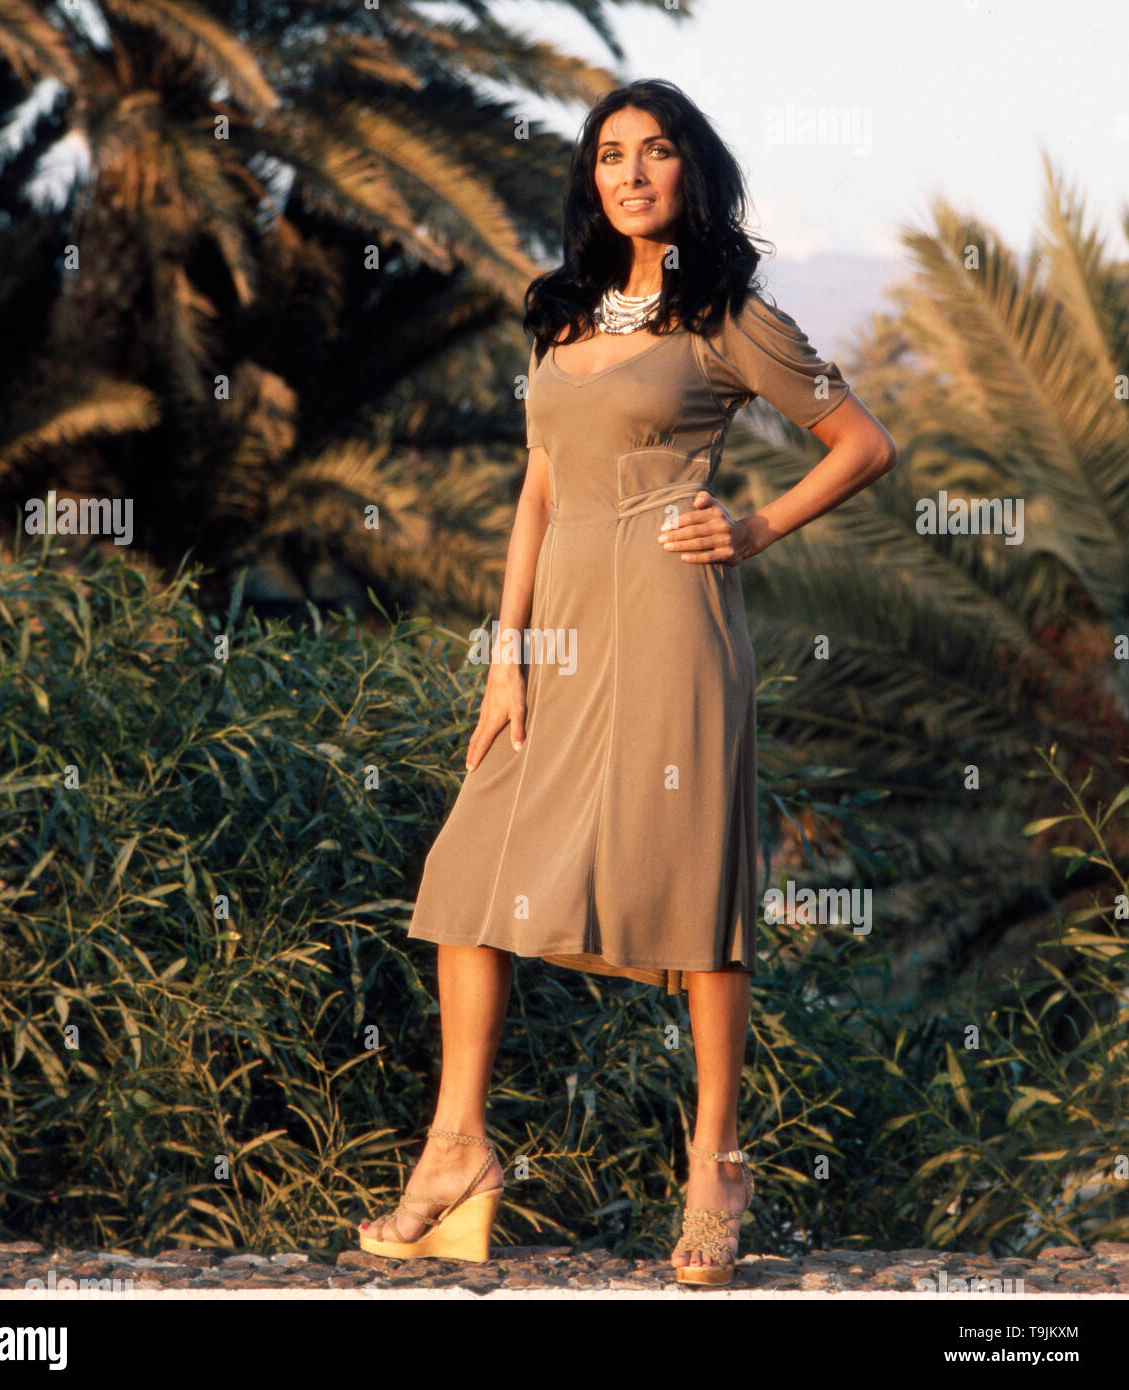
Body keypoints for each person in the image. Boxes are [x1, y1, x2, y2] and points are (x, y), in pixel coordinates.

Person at [358, 78, 897, 1284]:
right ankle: (455, 1154)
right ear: (591, 179)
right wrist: (505, 655)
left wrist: (752, 529)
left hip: (671, 621)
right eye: (611, 155)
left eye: (656, 153)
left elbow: (864, 442)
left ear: (688, 171)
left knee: (691, 886)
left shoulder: (726, 315)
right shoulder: (560, 316)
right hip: (558, 633)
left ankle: (715, 1170)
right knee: (466, 869)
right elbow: (539, 489)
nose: (632, 172)